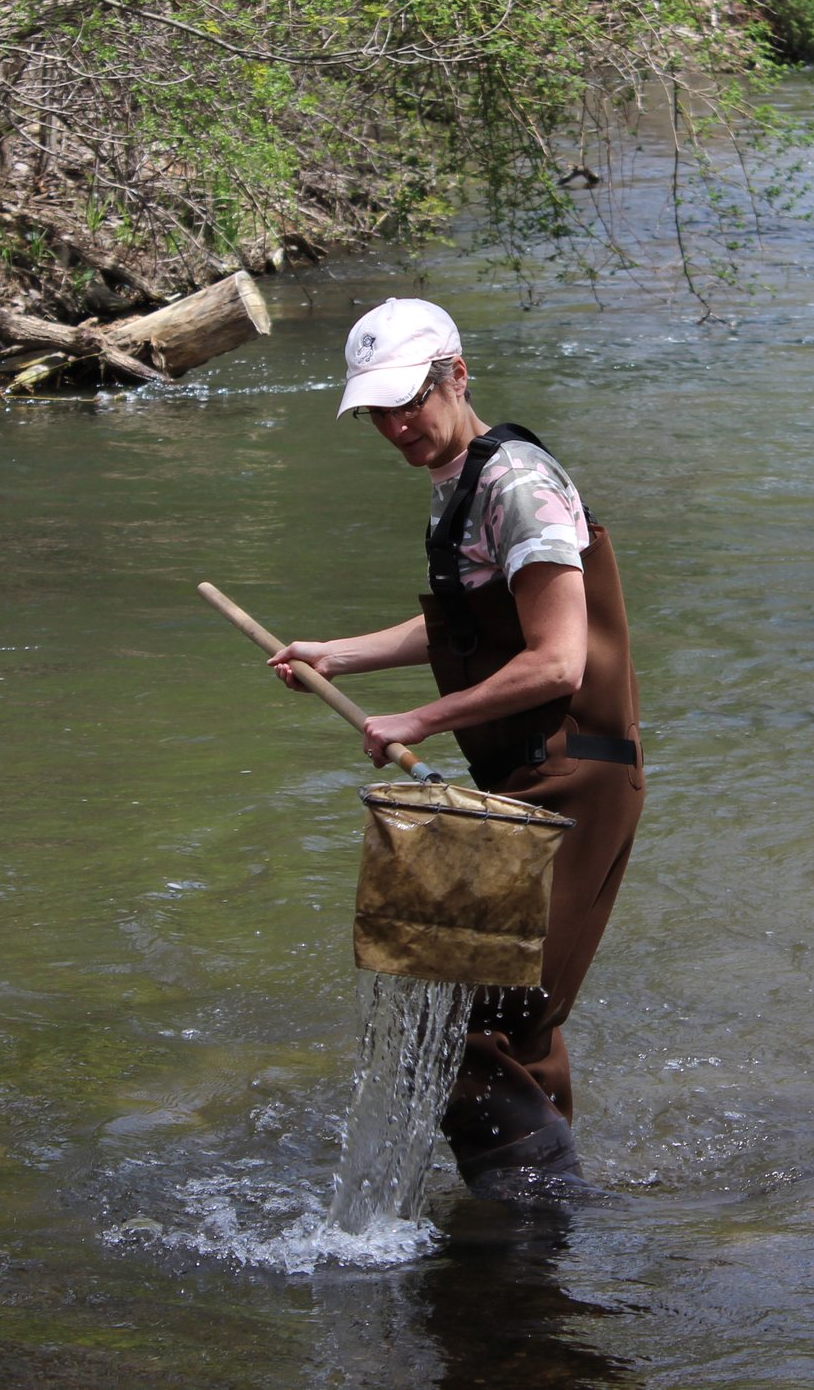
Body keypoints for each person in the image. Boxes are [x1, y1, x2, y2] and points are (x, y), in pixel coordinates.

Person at [271, 298, 645, 1195]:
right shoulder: (461, 481)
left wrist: (418, 719)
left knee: (471, 1022)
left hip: (576, 777)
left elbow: (556, 660)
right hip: (520, 778)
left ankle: (535, 1215)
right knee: (522, 1025)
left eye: (410, 401)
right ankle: (534, 1244)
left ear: (458, 375)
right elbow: (472, 623)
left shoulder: (518, 483)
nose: (396, 426)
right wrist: (340, 655)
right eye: (378, 411)